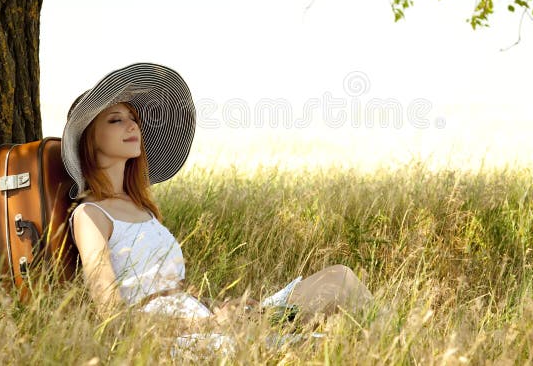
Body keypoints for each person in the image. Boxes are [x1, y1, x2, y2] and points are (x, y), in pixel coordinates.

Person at [62, 62, 372, 327]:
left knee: (339, 277)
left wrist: (222, 305)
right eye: (116, 120)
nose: (132, 126)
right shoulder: (90, 215)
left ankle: (407, 347)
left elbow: (173, 291)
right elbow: (112, 314)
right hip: (182, 336)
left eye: (134, 119)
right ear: (89, 138)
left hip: (207, 321)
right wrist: (204, 324)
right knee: (327, 315)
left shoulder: (142, 208)